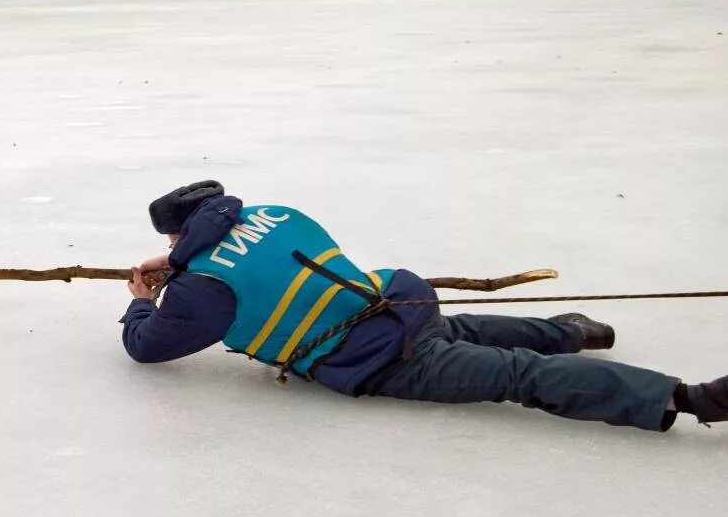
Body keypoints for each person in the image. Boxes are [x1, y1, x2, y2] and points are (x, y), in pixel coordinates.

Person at [120, 180, 728, 431]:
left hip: (376, 358)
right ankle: (572, 332)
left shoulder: (202, 287)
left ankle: (687, 399)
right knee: (463, 330)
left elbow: (149, 347)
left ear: (175, 233)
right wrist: (182, 262)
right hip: (401, 303)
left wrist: (143, 301)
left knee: (515, 374)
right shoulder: (274, 213)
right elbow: (258, 262)